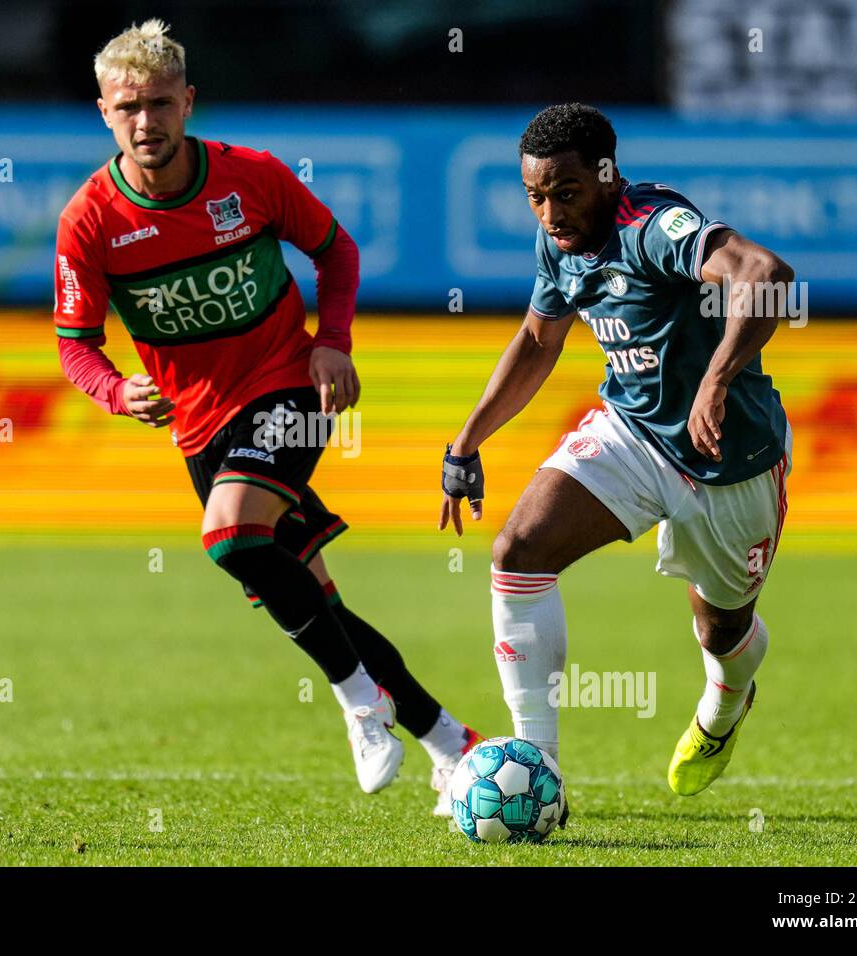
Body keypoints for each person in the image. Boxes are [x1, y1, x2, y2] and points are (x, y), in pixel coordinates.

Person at [56, 20, 480, 812]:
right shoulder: (89, 222)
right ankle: (451, 742)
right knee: (318, 600)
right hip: (197, 428)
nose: (145, 122)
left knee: (228, 536)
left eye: (159, 104)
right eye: (127, 108)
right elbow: (75, 345)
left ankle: (358, 701)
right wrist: (118, 391)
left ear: (188, 102)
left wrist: (334, 342)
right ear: (104, 113)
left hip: (290, 388)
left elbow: (336, 251)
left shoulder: (248, 178)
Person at [440, 103, 793, 806]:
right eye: (535, 196)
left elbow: (768, 273)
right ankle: (537, 773)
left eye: (565, 193)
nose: (549, 213)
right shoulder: (560, 245)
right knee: (517, 552)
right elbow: (540, 342)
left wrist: (716, 382)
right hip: (630, 432)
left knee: (721, 626)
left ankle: (726, 702)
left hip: (727, 456)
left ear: (608, 177)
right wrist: (465, 442)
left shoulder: (654, 227)